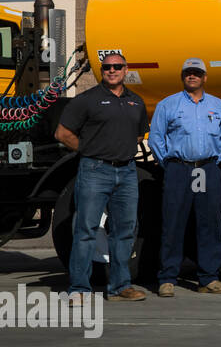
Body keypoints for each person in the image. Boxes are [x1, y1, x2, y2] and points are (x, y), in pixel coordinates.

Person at [55, 52, 150, 304]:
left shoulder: (136, 102)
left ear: (125, 69)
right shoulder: (87, 100)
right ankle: (79, 288)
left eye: (117, 66)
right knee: (86, 230)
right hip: (95, 171)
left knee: (124, 231)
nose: (112, 70)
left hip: (127, 171)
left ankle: (120, 286)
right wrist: (89, 150)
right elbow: (63, 133)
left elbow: (139, 136)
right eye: (107, 67)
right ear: (102, 70)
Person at [149, 58, 221, 297]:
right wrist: (171, 164)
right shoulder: (168, 105)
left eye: (196, 73)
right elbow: (156, 138)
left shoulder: (218, 106)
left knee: (209, 223)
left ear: (205, 77)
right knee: (173, 223)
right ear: (182, 76)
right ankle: (167, 278)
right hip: (179, 169)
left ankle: (208, 278)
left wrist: (212, 162)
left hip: (205, 169)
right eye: (187, 73)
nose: (192, 76)